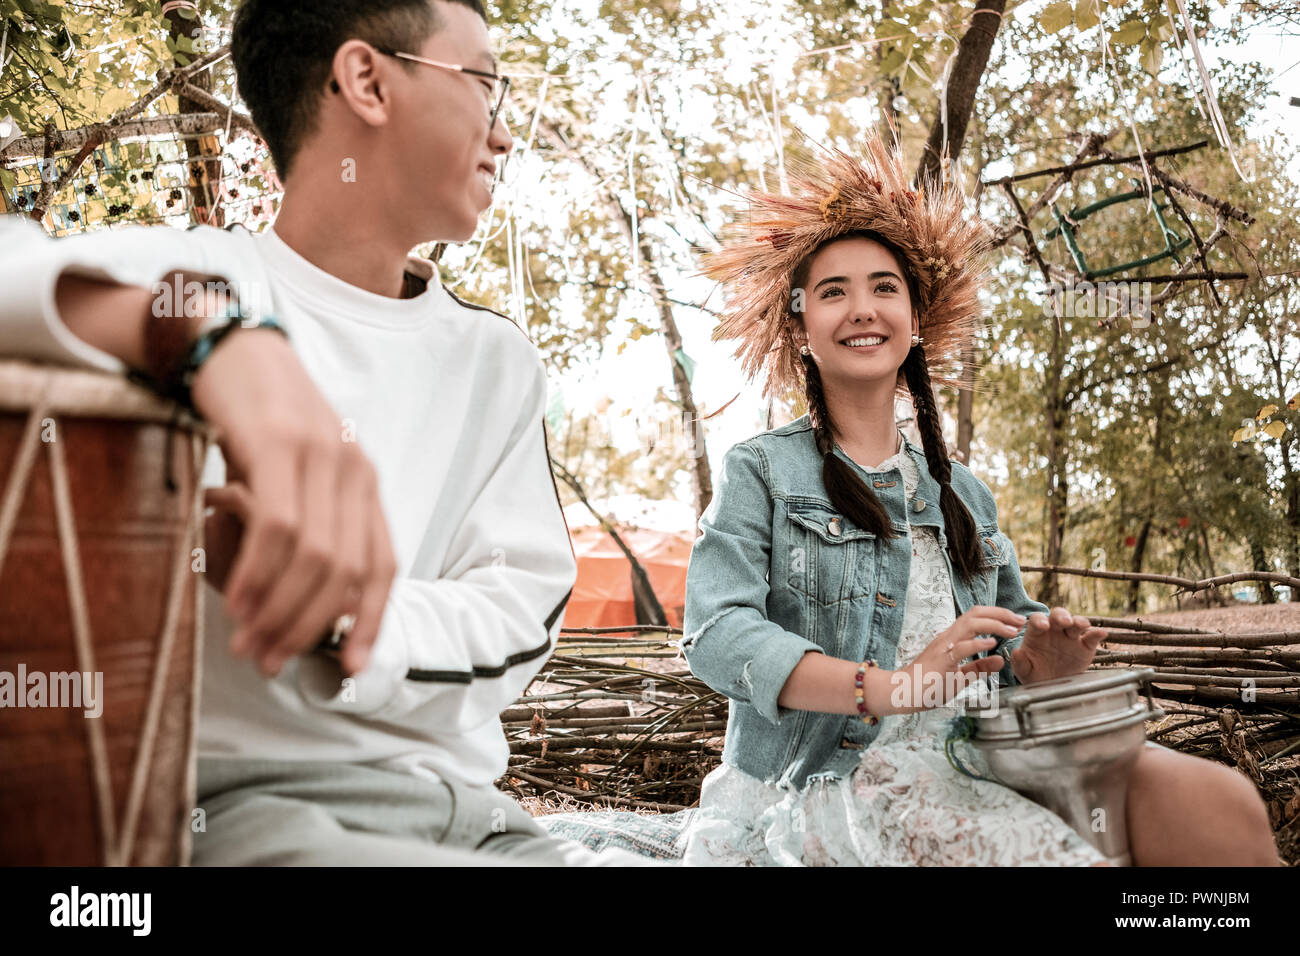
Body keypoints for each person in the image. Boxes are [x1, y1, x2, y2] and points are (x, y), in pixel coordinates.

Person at [0, 0, 656, 866]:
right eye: (485, 88)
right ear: (367, 82)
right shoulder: (206, 274)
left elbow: (514, 613)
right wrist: (221, 345)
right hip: (257, 807)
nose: (502, 136)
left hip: (483, 820)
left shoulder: (495, 361)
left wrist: (346, 611)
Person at [677, 131, 1280, 866]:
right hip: (837, 782)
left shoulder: (964, 494)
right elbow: (718, 636)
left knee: (1218, 807)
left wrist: (1041, 662)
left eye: (884, 287)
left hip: (986, 751)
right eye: (833, 291)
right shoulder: (762, 473)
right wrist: (893, 688)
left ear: (916, 320)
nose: (862, 308)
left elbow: (1007, 639)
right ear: (801, 326)